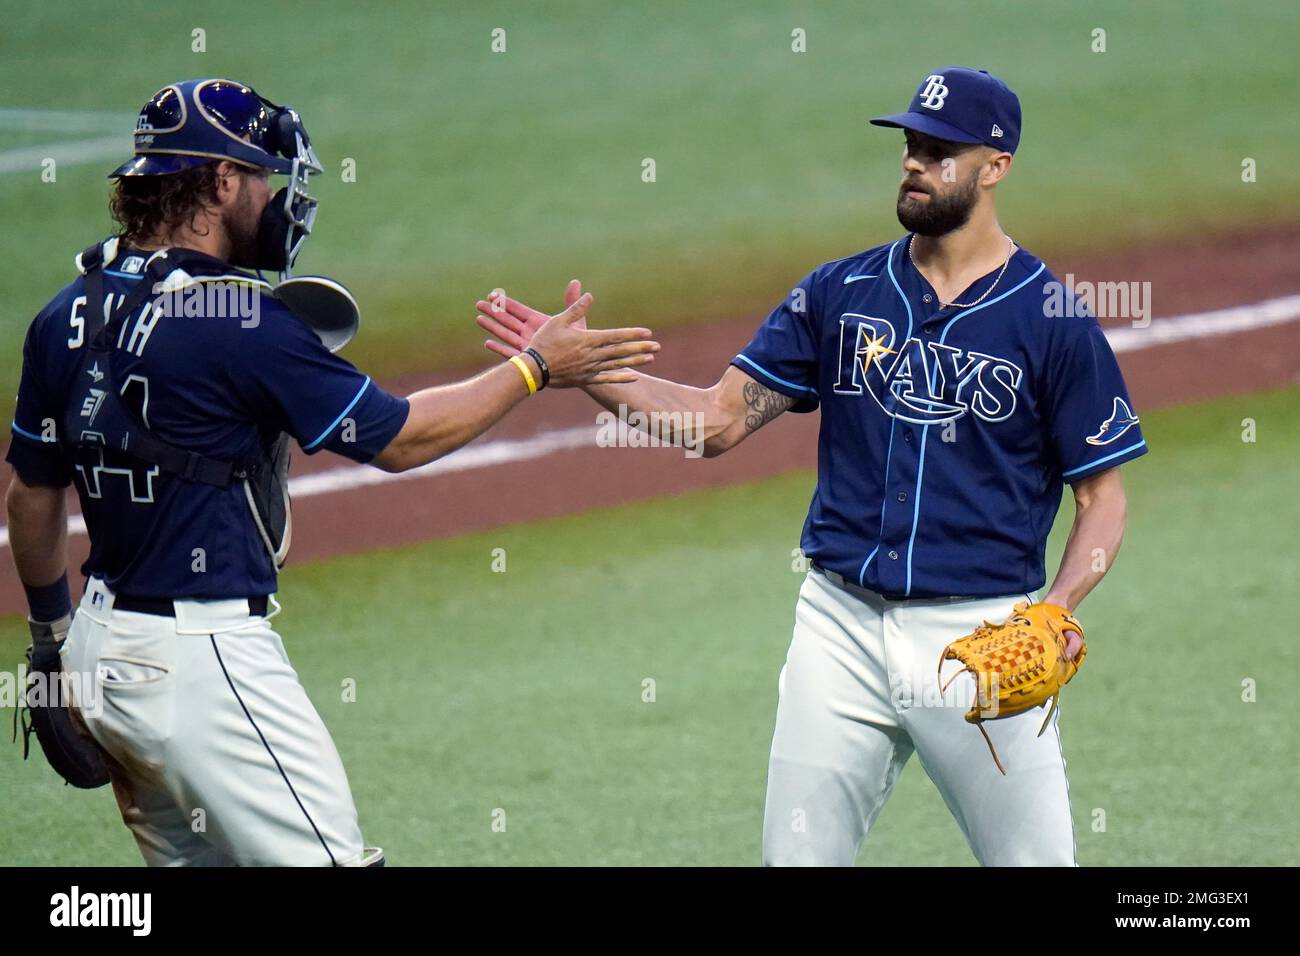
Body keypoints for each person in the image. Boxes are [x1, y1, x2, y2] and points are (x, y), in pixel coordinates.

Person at [475, 67, 1146, 866]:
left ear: (995, 167)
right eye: (909, 146)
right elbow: (717, 421)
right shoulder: (841, 290)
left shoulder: (1052, 319)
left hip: (981, 635)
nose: (913, 164)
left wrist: (1059, 608)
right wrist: (579, 368)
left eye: (938, 151)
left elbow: (1102, 497)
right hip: (838, 628)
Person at [5, 78, 658, 866]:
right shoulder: (239, 321)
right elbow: (402, 438)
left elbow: (31, 497)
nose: (276, 200)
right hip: (201, 664)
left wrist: (50, 648)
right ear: (219, 181)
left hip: (101, 648)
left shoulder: (67, 313)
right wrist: (534, 366)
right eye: (264, 179)